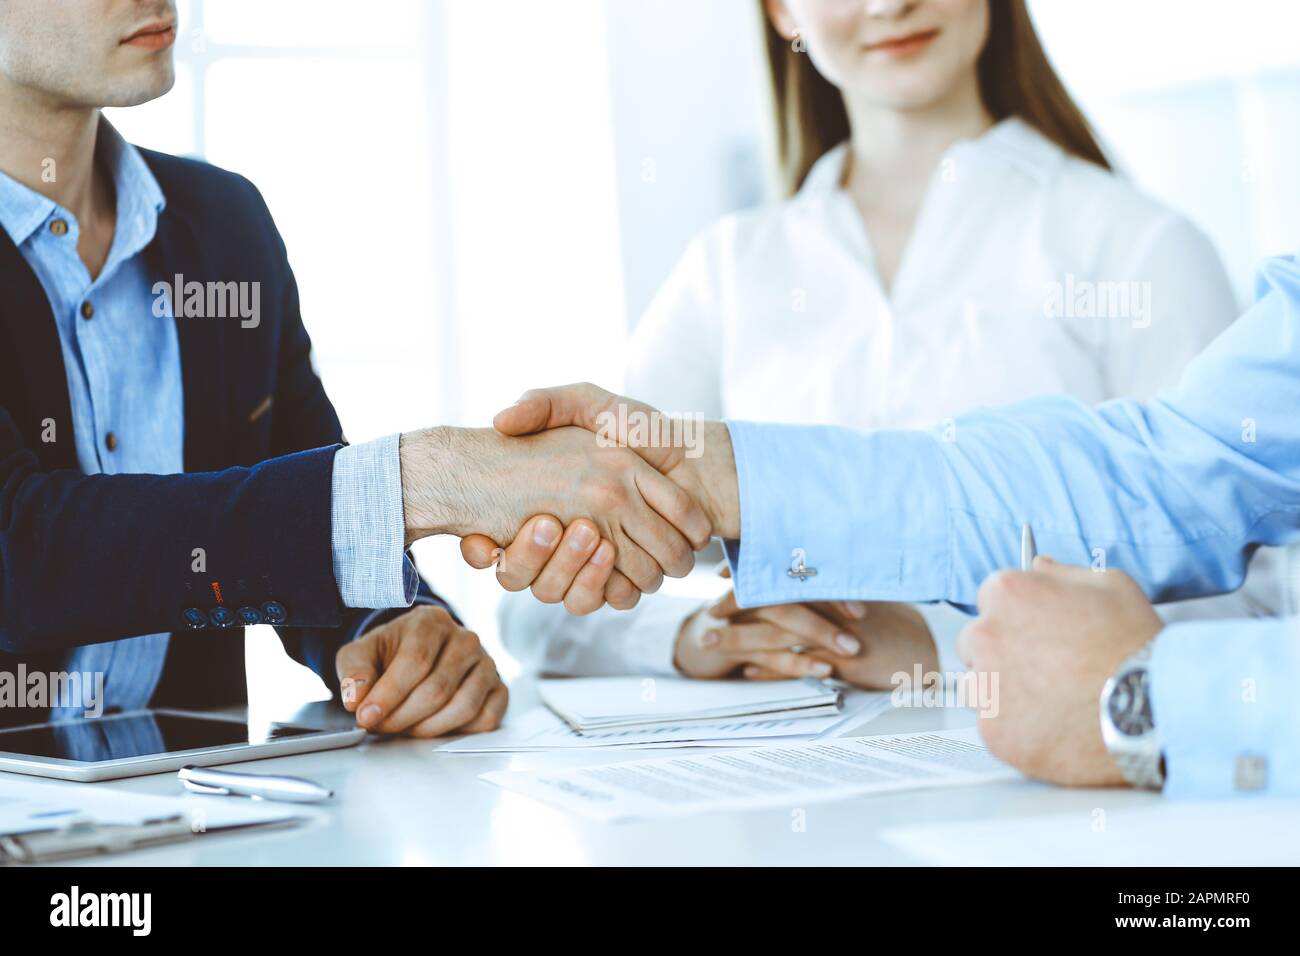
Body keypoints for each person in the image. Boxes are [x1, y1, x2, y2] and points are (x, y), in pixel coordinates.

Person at [487, 0, 1273, 687]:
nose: (890, 4)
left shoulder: (1139, 245)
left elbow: (1257, 596)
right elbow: (542, 600)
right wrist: (696, 636)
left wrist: (940, 648)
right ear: (781, 11)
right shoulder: (727, 270)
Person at [0, 0, 709, 736]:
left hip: (194, 798)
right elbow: (18, 558)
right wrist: (429, 479)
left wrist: (397, 628)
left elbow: (292, 501)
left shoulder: (222, 223)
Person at [464, 243, 1300, 800]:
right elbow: (1184, 466)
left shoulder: (1136, 245)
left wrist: (1142, 695)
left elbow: (1236, 563)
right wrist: (714, 555)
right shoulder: (723, 267)